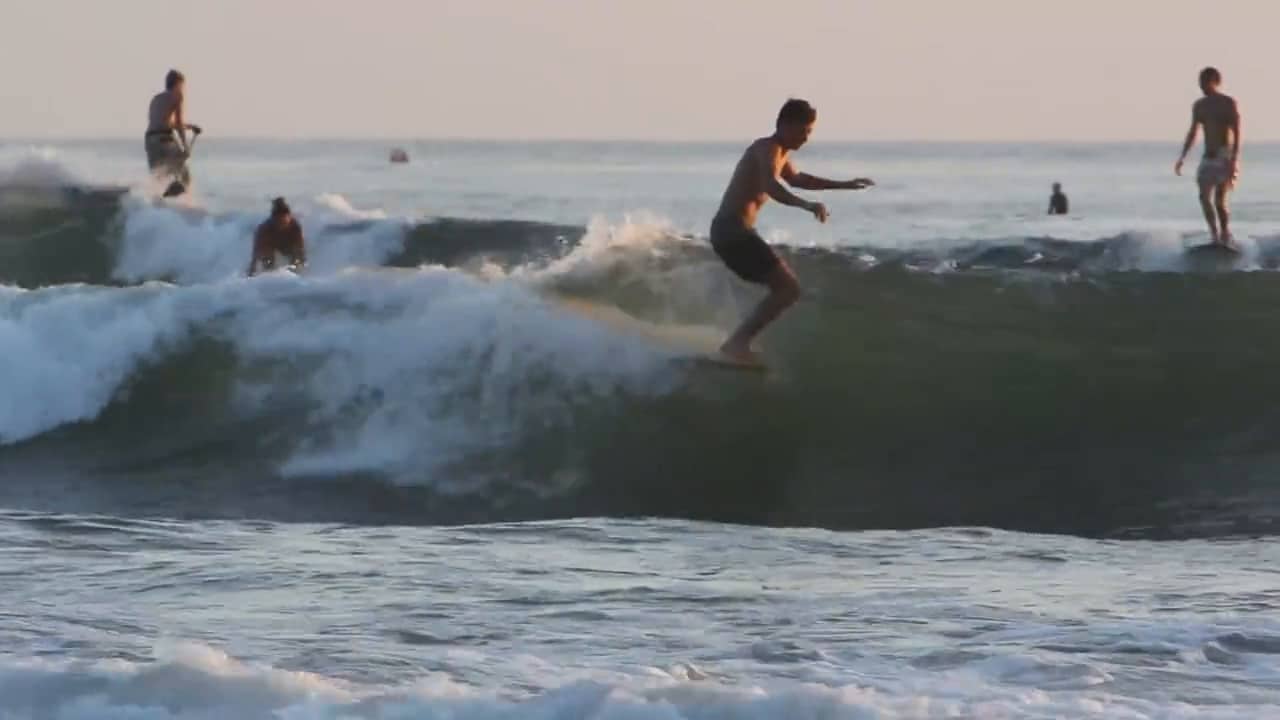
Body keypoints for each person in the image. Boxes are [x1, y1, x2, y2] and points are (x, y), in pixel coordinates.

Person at [709, 99, 873, 363]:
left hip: (732, 233)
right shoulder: (767, 148)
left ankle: (737, 343)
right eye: (803, 131)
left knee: (783, 289)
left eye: (809, 132)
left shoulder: (779, 153)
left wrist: (845, 184)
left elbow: (798, 179)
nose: (806, 138)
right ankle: (736, 344)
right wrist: (806, 205)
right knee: (788, 289)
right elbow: (771, 185)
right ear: (785, 125)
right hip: (733, 232)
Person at [1175, 67, 1242, 246]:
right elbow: (1193, 132)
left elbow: (1236, 131)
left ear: (1214, 81)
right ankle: (1214, 234)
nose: (1201, 86)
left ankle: (1225, 233)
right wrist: (1183, 157)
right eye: (1200, 82)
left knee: (1220, 201)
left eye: (1204, 81)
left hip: (1224, 156)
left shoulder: (1228, 103)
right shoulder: (1199, 106)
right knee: (1203, 197)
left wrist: (1234, 159)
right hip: (1208, 157)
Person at [145, 69, 201, 193]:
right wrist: (184, 147)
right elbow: (179, 123)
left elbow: (163, 121)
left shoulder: (156, 98)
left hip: (150, 140)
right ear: (177, 84)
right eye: (182, 86)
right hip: (164, 139)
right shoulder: (177, 95)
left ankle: (157, 207)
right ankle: (177, 201)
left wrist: (190, 127)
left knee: (159, 177)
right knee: (184, 175)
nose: (183, 89)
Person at [248, 198, 307, 276]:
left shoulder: (295, 227)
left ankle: (294, 278)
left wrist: (302, 261)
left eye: (284, 221)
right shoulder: (264, 229)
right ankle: (269, 277)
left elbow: (301, 248)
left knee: (297, 256)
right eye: (278, 221)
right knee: (267, 255)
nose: (281, 224)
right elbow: (255, 254)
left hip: (288, 245)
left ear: (289, 217)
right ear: (273, 219)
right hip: (271, 245)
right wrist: (251, 271)